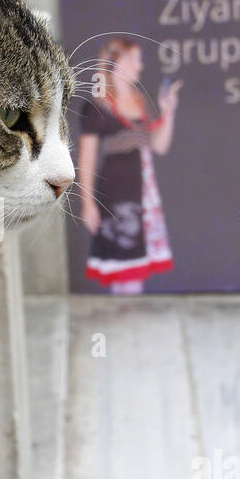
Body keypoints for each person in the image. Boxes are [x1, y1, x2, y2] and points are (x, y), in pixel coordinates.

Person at [75, 38, 180, 294]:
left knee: (135, 270)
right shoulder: (98, 106)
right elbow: (86, 158)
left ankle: (129, 324)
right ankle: (123, 324)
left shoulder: (139, 100)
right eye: (133, 60)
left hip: (143, 191)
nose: (140, 66)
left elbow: (160, 146)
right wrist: (87, 204)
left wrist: (169, 112)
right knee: (122, 266)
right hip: (116, 195)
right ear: (115, 64)